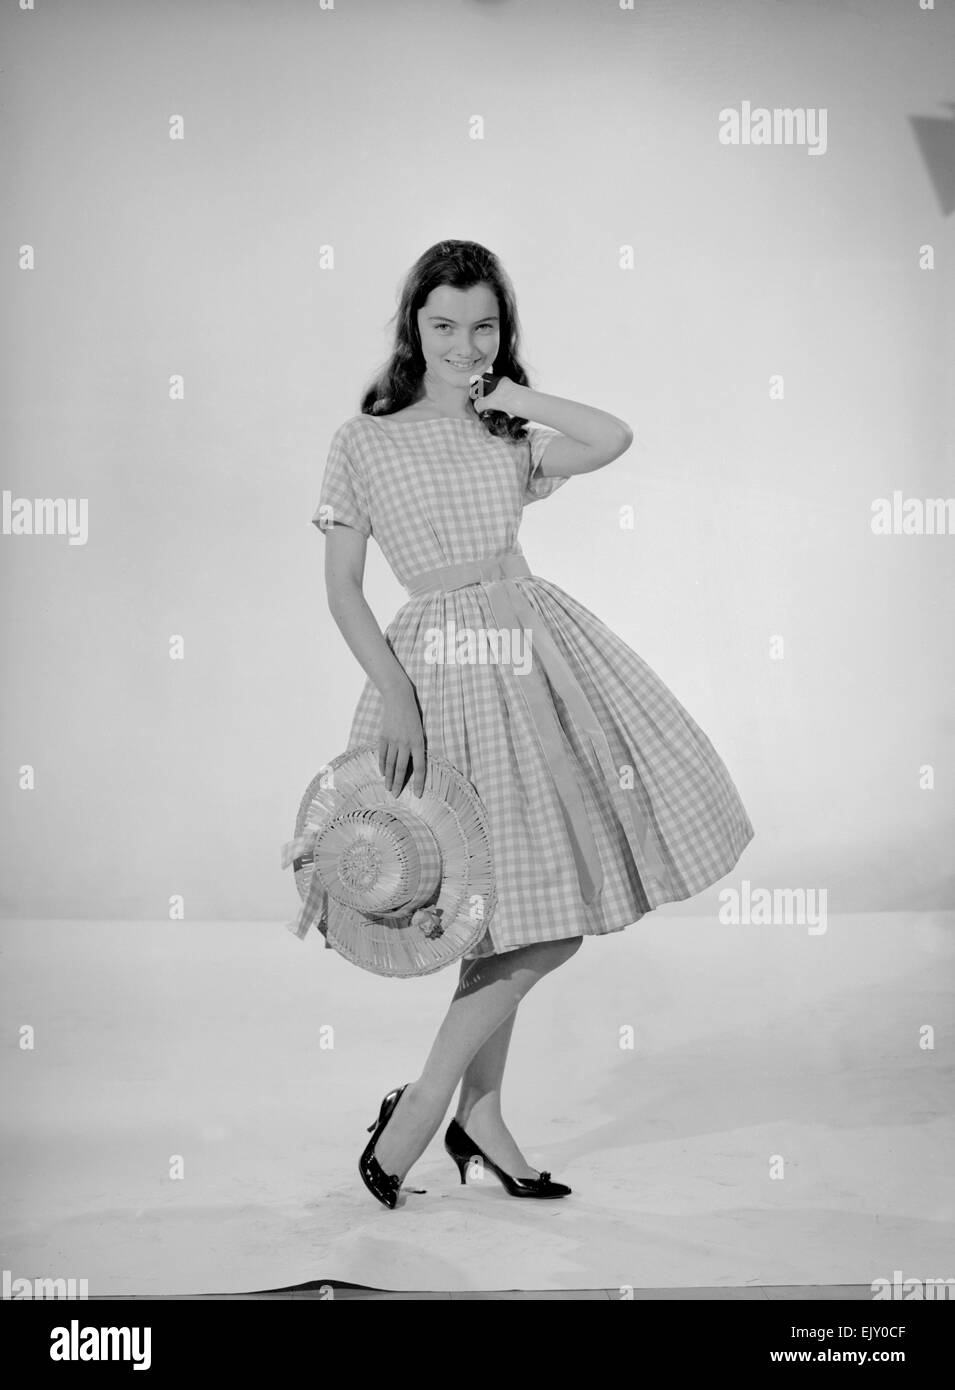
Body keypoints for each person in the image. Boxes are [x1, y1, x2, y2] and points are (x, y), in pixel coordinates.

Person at [312, 239, 754, 1205]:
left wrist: (520, 398)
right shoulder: (364, 441)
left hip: (534, 661)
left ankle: (466, 1114)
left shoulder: (503, 429)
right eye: (443, 325)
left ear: (501, 332)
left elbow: (611, 438)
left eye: (482, 326)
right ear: (411, 328)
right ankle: (439, 1109)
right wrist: (394, 696)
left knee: (530, 912)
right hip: (434, 673)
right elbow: (342, 590)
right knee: (492, 910)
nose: (463, 345)